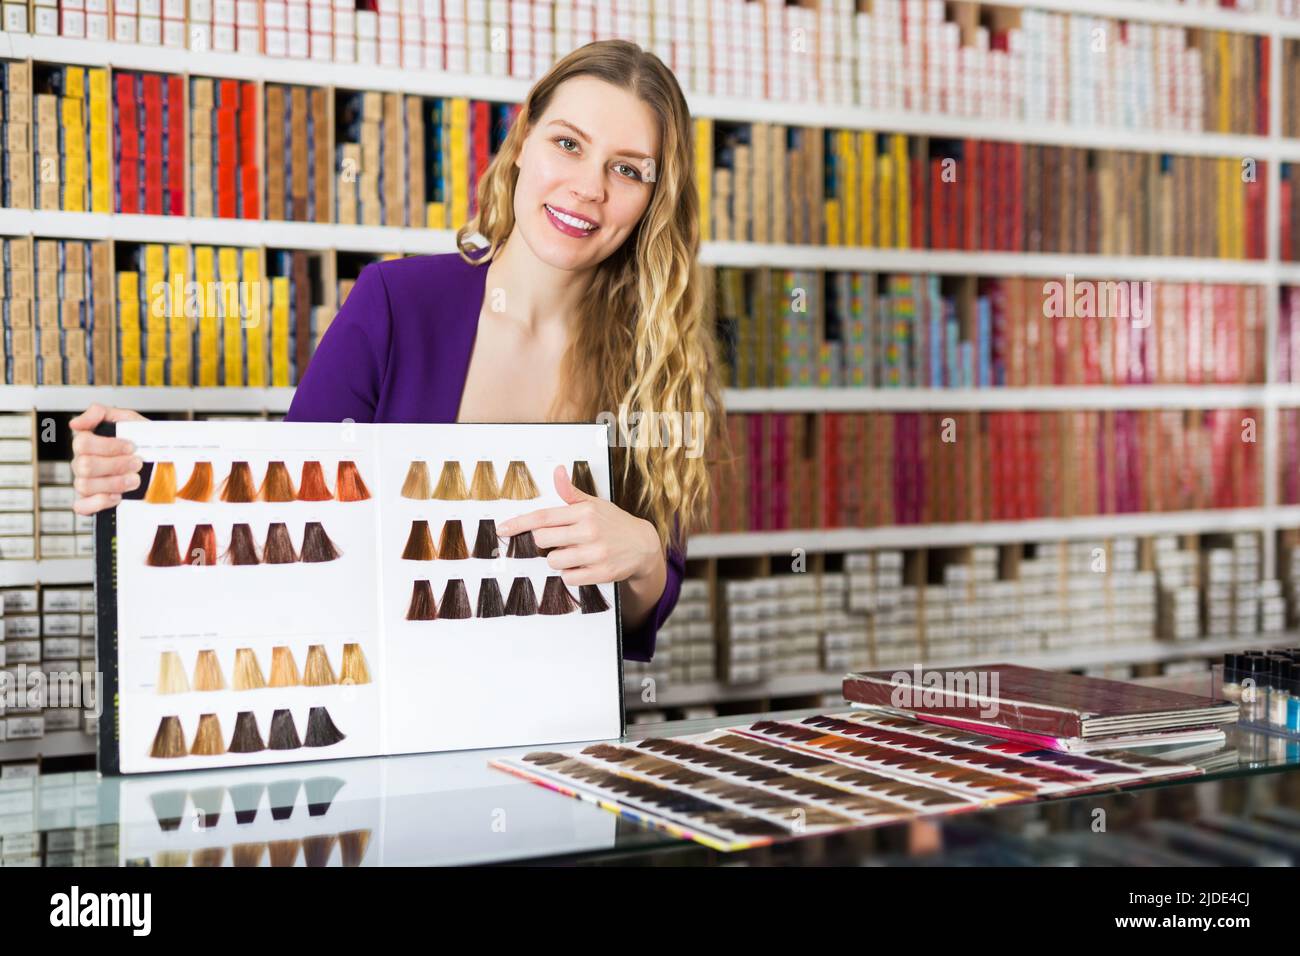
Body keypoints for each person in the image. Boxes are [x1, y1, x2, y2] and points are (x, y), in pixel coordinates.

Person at [68, 39, 725, 662]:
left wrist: (641, 552)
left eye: (628, 170)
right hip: (383, 722)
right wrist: (161, 469)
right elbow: (290, 511)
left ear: (652, 200)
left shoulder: (661, 359)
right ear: (523, 141)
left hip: (555, 737)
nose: (590, 187)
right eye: (568, 144)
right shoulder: (395, 302)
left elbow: (642, 613)